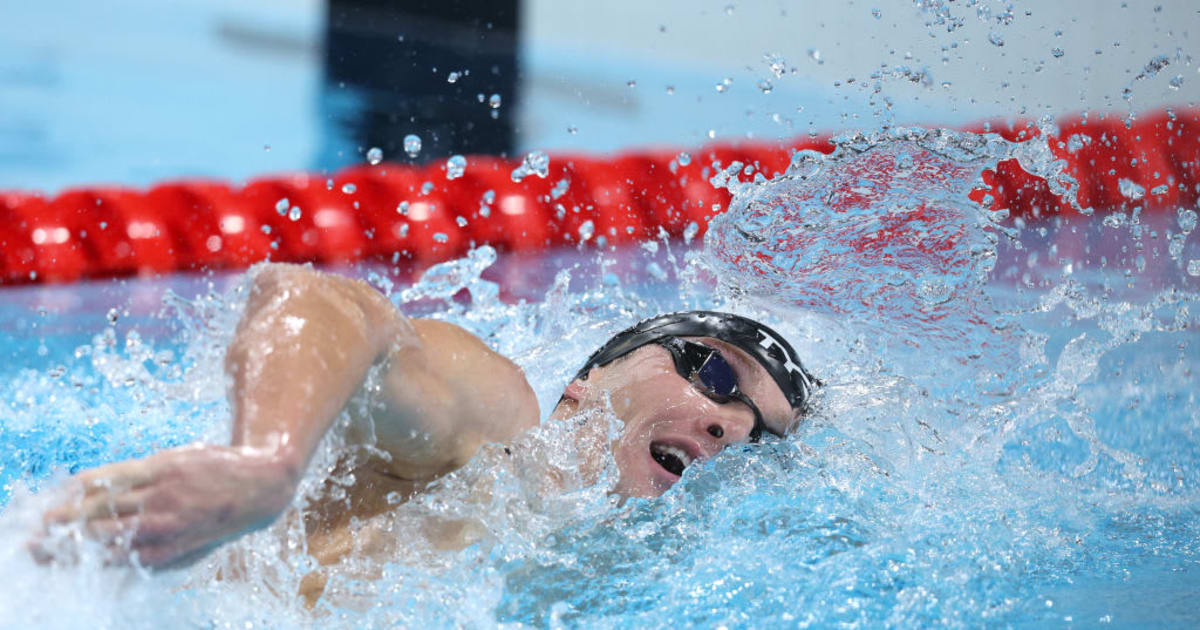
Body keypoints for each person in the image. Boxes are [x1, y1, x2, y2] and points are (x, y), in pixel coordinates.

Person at [34, 263, 817, 598]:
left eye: (757, 434)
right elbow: (314, 301)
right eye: (715, 375)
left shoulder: (613, 581)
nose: (726, 424)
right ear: (588, 380)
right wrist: (265, 464)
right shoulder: (498, 429)